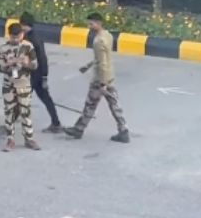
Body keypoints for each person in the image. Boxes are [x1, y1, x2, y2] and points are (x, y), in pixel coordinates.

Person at [64, 12, 130, 143]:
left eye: (91, 24)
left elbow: (102, 62)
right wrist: (88, 66)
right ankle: (123, 130)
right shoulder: (108, 35)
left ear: (98, 23)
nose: (89, 26)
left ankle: (79, 129)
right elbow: (102, 58)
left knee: (90, 104)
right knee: (114, 104)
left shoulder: (98, 41)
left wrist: (102, 83)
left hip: (100, 79)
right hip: (109, 75)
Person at [0, 21, 41, 152]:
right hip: (9, 84)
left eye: (18, 36)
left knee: (25, 111)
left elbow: (35, 65)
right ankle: (10, 139)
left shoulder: (28, 47)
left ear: (22, 34)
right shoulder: (3, 49)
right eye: (13, 37)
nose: (15, 39)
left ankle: (29, 138)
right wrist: (8, 65)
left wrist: (25, 63)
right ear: (9, 35)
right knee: (9, 112)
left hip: (23, 84)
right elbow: (0, 67)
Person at [19, 13, 66, 134]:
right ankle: (56, 123)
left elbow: (42, 58)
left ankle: (9, 125)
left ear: (24, 25)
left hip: (33, 75)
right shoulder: (34, 36)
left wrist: (44, 77)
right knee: (45, 98)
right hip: (38, 75)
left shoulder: (31, 40)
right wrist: (44, 76)